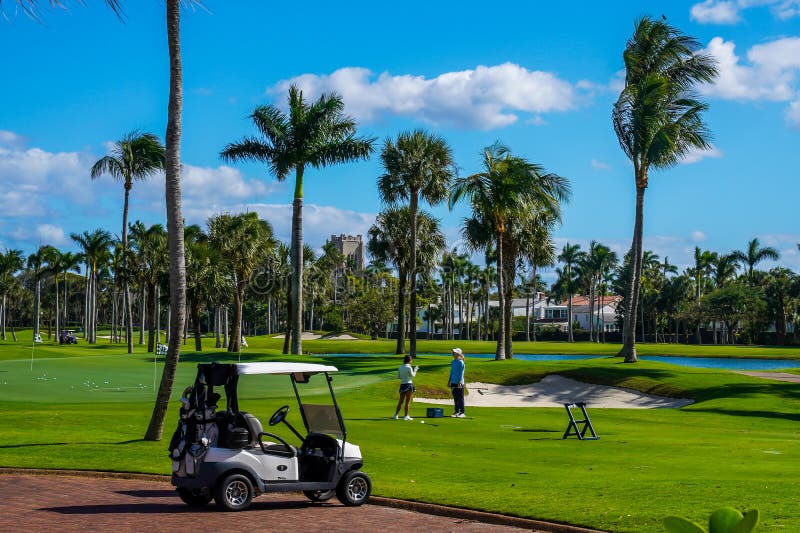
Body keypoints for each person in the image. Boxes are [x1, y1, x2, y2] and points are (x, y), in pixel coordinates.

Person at [393, 355, 419, 420]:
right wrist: (415, 370)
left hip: (402, 385)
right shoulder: (409, 367)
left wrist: (404, 376)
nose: (412, 361)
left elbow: (398, 377)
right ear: (409, 360)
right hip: (409, 384)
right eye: (411, 360)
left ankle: (396, 415)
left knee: (400, 401)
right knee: (408, 401)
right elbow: (413, 375)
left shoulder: (400, 367)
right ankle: (406, 416)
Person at [449, 348, 466, 418]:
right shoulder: (453, 362)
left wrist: (459, 382)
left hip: (459, 382)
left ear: (458, 354)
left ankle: (462, 412)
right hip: (453, 382)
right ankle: (456, 411)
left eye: (454, 352)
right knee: (455, 398)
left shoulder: (461, 362)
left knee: (460, 398)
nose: (453, 353)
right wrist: (449, 381)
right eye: (453, 352)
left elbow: (461, 373)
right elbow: (451, 372)